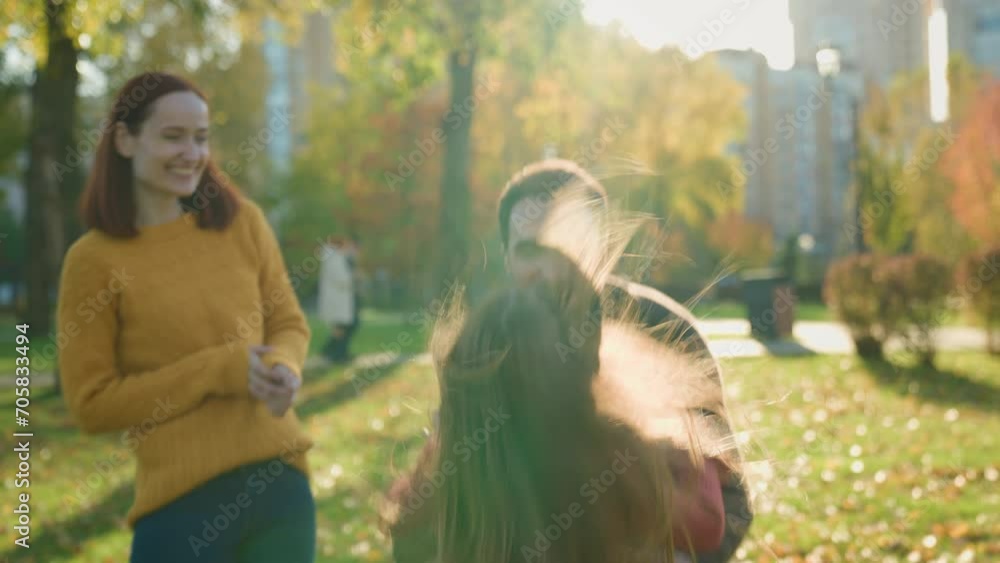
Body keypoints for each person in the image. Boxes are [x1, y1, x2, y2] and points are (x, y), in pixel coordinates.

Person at [56, 72, 315, 563]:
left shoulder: (244, 224)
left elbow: (288, 324)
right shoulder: (92, 261)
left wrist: (285, 368)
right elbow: (92, 404)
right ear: (126, 141)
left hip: (280, 486)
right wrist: (217, 371)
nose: (192, 153)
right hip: (180, 509)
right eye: (172, 137)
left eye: (200, 138)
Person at [385, 243, 729, 563]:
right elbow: (708, 528)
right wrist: (683, 445)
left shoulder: (438, 491)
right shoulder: (622, 465)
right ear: (589, 370)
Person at [494, 159, 752, 562]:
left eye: (565, 249)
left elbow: (731, 501)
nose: (550, 269)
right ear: (506, 258)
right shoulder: (486, 349)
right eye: (529, 250)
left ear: (604, 247)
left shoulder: (665, 332)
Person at [318, 235, 356, 363]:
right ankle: (336, 355)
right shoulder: (334, 259)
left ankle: (333, 353)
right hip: (337, 300)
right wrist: (354, 279)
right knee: (339, 329)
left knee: (339, 329)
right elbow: (341, 279)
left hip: (338, 299)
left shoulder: (335, 258)